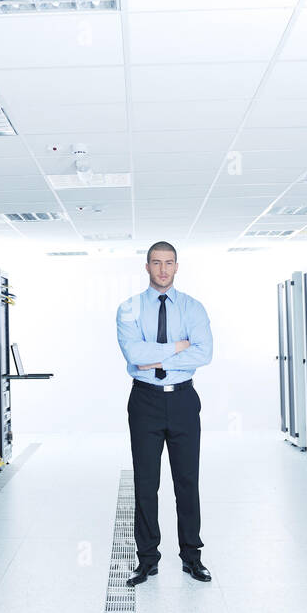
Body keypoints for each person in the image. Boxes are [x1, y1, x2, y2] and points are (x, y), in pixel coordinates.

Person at [115, 241, 213, 586]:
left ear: (176, 266)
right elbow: (135, 354)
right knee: (146, 483)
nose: (163, 269)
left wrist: (156, 356)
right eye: (156, 263)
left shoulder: (193, 308)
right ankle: (147, 560)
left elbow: (204, 354)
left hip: (184, 400)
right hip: (145, 402)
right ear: (146, 267)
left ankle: (192, 557)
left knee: (187, 482)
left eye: (169, 263)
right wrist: (177, 347)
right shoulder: (128, 309)